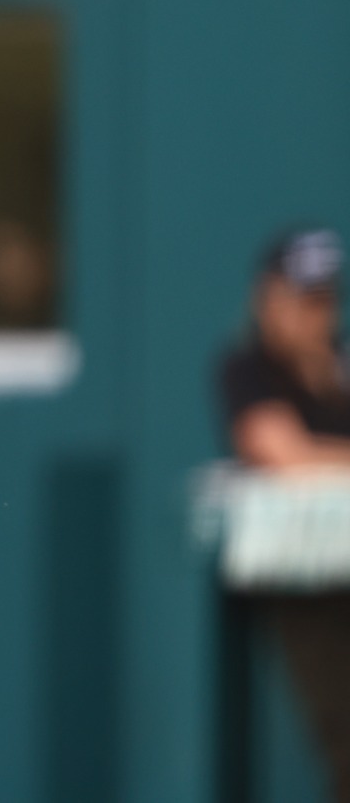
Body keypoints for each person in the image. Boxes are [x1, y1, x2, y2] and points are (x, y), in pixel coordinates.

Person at [218, 227, 350, 801]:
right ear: (268, 299)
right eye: (302, 299)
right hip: (300, 581)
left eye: (324, 299)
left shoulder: (341, 366)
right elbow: (283, 453)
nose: (314, 315)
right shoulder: (247, 367)